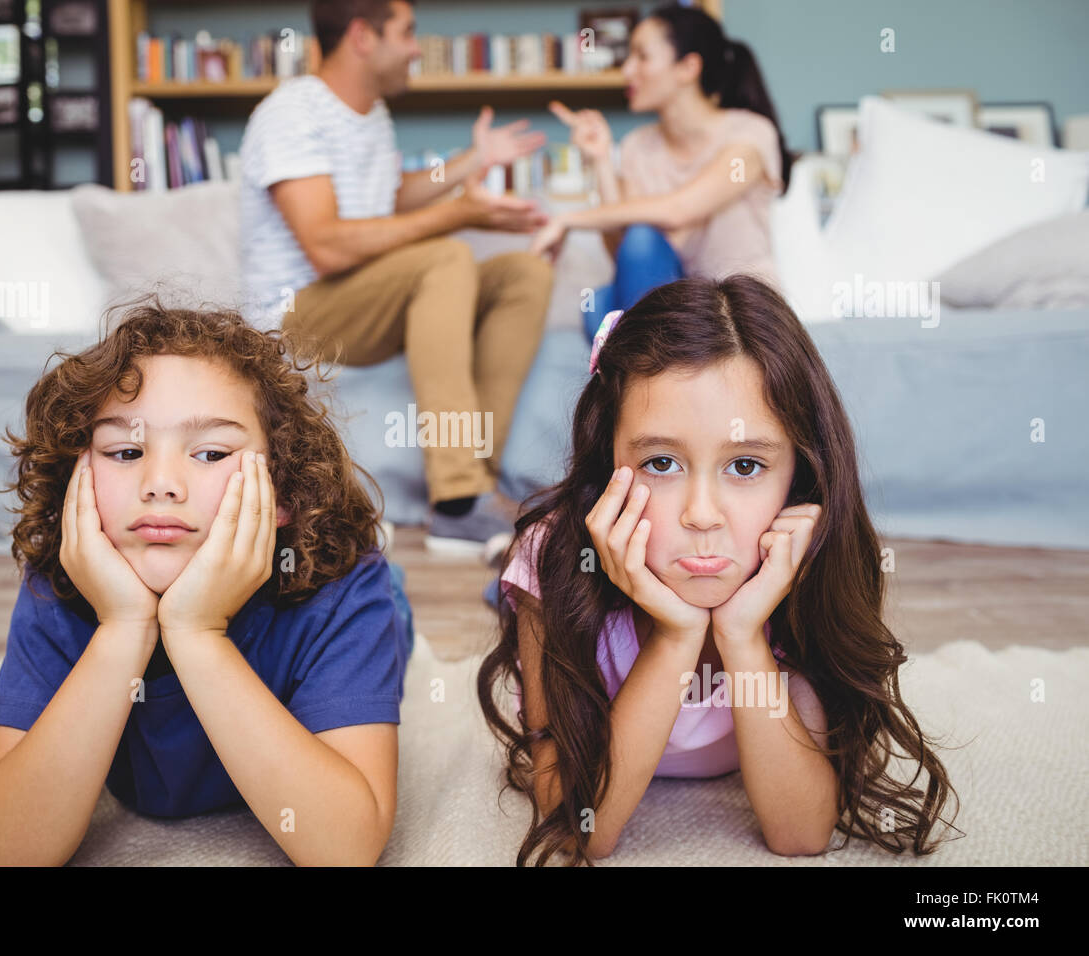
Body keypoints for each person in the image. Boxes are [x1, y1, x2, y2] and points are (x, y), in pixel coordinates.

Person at [476, 275, 962, 866]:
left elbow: (801, 835)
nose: (701, 515)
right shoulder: (550, 564)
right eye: (661, 462)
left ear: (800, 475)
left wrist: (741, 633)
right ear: (609, 460)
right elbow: (583, 832)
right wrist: (678, 635)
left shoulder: (804, 562)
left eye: (746, 466)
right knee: (544, 554)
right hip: (582, 574)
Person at [0, 299, 414, 866]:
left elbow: (344, 849)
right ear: (75, 480)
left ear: (284, 492)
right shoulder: (57, 589)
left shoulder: (342, 590)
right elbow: (2, 852)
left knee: (388, 596)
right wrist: (123, 626)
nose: (161, 483)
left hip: (334, 579)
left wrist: (198, 632)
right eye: (126, 451)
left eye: (209, 453)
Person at [239, 0, 555, 557]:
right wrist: (459, 213)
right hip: (291, 314)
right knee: (446, 257)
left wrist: (470, 163)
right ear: (363, 36)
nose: (416, 48)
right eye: (407, 33)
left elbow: (388, 199)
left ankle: (473, 483)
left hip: (363, 298)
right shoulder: (292, 113)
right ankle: (458, 498)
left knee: (521, 274)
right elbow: (328, 244)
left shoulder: (371, 113)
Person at [529, 3, 794, 342]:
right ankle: (651, 364)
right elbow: (627, 252)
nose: (627, 70)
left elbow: (678, 210)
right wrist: (601, 162)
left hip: (743, 311)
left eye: (641, 56)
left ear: (687, 67)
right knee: (604, 295)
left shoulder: (750, 133)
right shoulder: (639, 146)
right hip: (679, 308)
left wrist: (567, 219)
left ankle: (641, 358)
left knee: (606, 311)